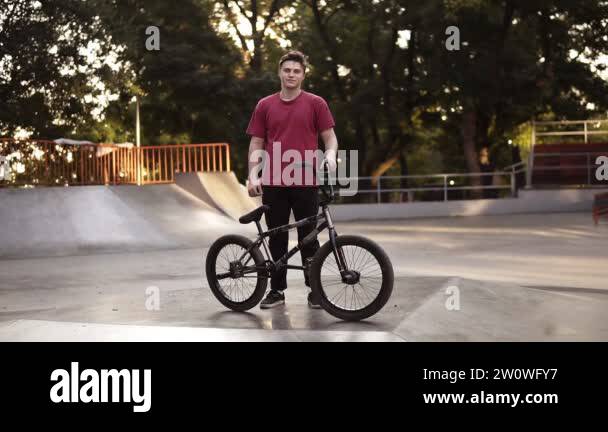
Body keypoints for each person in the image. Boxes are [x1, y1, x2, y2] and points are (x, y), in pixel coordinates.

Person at [245, 50, 338, 309]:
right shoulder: (265, 105)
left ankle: (314, 291)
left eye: (296, 71)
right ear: (279, 73)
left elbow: (329, 137)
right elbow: (256, 142)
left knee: (308, 237)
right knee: (277, 237)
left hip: (306, 180)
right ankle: (276, 290)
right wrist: (253, 175)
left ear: (303, 75)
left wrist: (330, 156)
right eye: (287, 70)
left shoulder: (316, 103)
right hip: (274, 181)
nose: (291, 74)